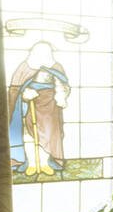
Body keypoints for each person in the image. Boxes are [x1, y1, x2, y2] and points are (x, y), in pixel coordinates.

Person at [8, 40, 70, 177]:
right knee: (29, 134)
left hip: (50, 105)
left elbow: (62, 84)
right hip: (29, 105)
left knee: (49, 134)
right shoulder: (25, 67)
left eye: (46, 52)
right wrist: (25, 94)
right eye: (39, 52)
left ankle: (44, 163)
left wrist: (61, 96)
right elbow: (16, 88)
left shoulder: (56, 66)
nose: (43, 55)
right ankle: (31, 163)